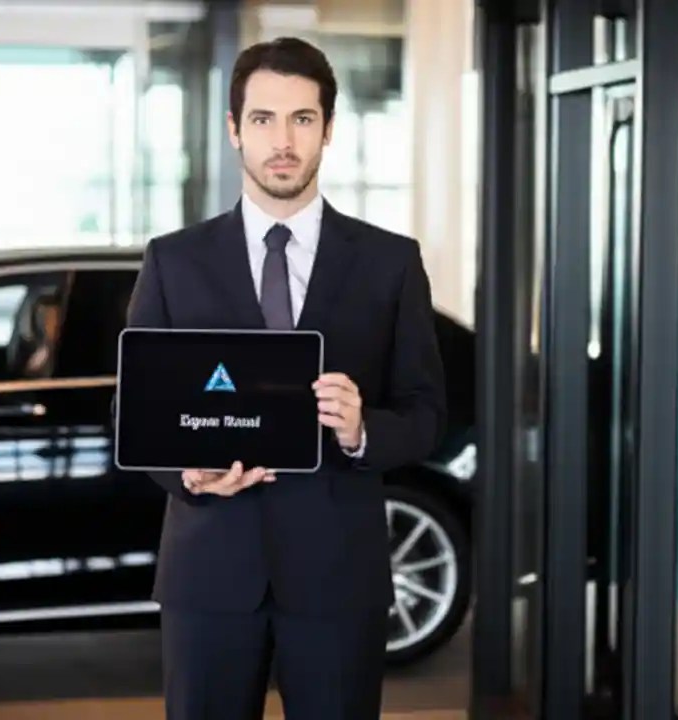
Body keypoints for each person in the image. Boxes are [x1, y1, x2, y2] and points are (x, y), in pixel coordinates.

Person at [124, 36, 447, 719]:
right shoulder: (173, 262)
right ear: (234, 129)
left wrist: (363, 430)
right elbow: (133, 415)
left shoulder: (390, 263)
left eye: (302, 119)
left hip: (336, 577)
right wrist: (187, 473)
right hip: (209, 572)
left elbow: (424, 412)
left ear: (328, 130)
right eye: (264, 119)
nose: (283, 140)